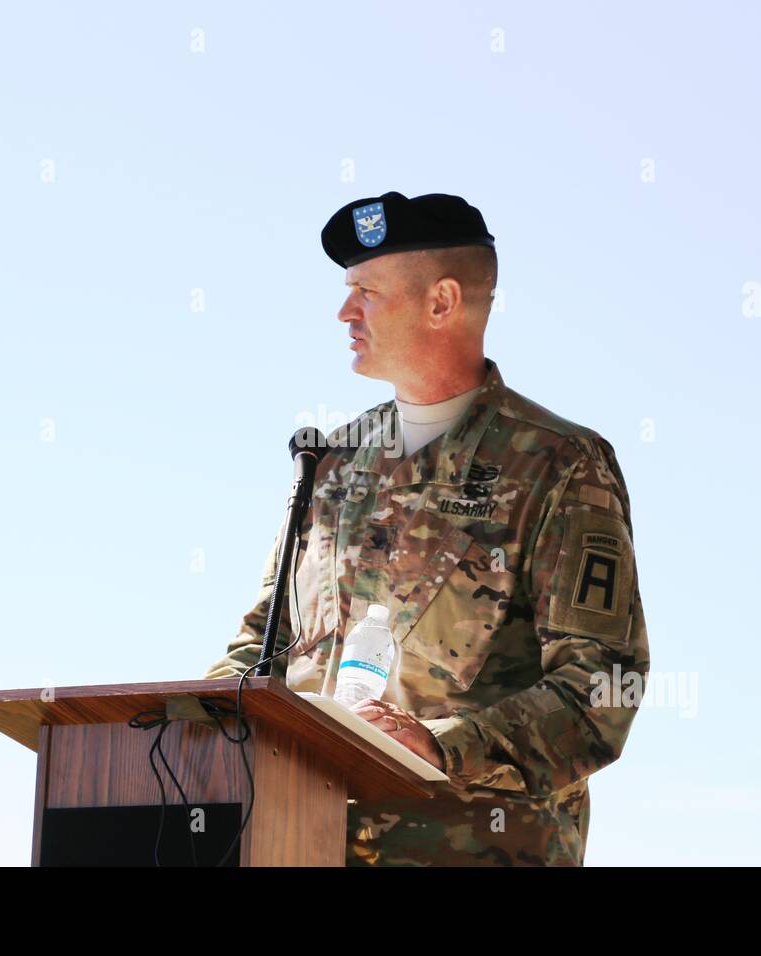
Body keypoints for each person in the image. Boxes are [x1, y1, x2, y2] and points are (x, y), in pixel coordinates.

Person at [204, 191, 650, 866]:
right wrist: (185, 720)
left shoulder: (558, 466)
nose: (344, 312)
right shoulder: (329, 463)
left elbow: (602, 685)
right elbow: (260, 646)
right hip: (299, 843)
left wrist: (444, 745)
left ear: (442, 303)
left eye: (366, 292)